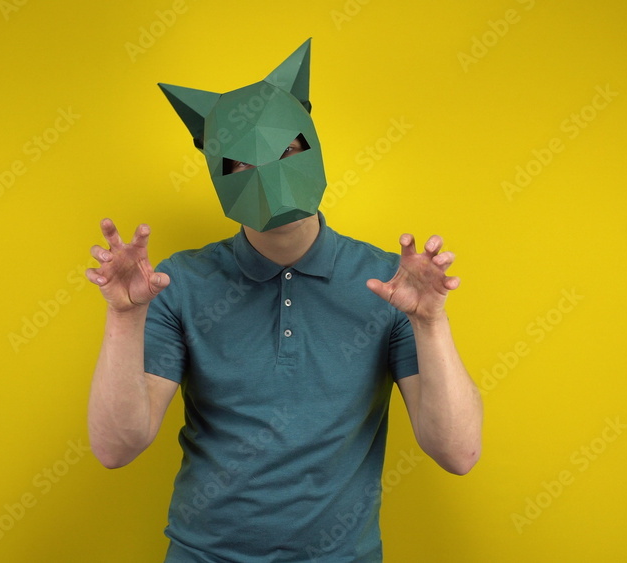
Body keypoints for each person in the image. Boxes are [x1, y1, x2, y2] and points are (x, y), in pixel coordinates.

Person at [86, 39, 482, 562]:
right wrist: (123, 316)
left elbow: (458, 452)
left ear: (313, 146)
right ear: (216, 171)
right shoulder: (176, 283)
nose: (269, 175)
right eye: (240, 164)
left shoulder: (391, 285)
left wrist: (431, 323)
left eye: (288, 150)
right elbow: (116, 447)